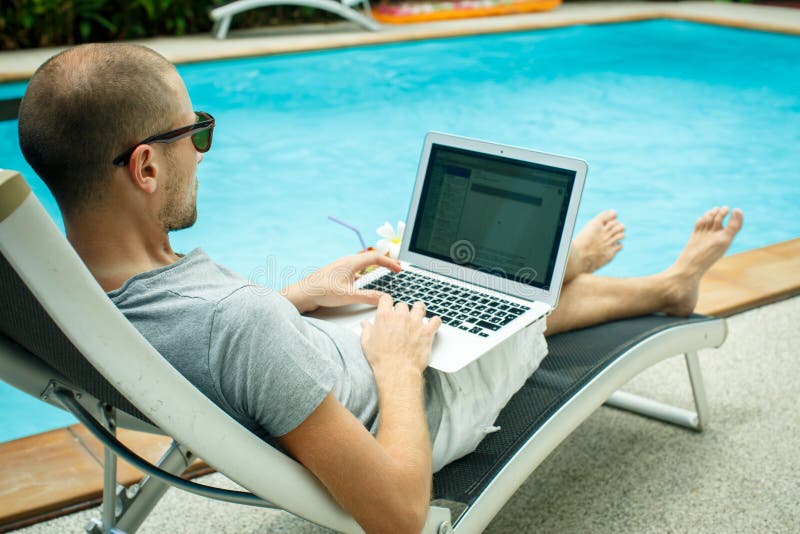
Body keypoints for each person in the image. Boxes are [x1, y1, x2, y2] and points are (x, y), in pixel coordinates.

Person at [17, 43, 742, 533]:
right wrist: (398, 366)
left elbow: (213, 334)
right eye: (195, 134)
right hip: (413, 399)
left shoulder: (68, 301)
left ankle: (584, 277)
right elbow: (397, 514)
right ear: (146, 168)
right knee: (518, 309)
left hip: (313, 350)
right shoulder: (234, 325)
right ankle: (610, 276)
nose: (201, 156)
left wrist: (291, 299)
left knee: (441, 291)